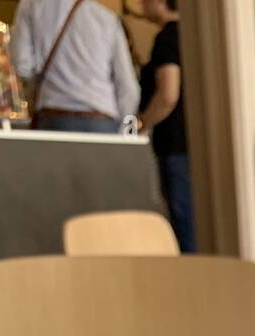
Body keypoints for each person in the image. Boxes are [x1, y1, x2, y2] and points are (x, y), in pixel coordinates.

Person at [11, 0, 139, 135]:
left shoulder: (30, 5)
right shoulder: (106, 18)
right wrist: (128, 133)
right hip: (103, 119)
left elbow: (22, 65)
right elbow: (129, 88)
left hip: (54, 117)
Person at [139, 0, 196, 253]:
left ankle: (189, 282)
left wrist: (141, 124)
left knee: (182, 221)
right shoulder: (190, 36)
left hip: (174, 145)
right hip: (190, 142)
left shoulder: (167, 38)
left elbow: (168, 95)